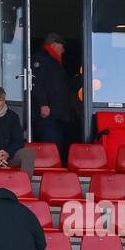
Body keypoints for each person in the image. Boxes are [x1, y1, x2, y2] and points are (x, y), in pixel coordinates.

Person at [30, 33, 72, 165]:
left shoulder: (53, 61)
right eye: (62, 46)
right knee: (51, 146)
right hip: (47, 114)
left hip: (57, 114)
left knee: (57, 145)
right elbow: (36, 84)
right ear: (53, 45)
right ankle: (50, 174)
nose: (63, 50)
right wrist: (43, 104)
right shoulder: (41, 59)